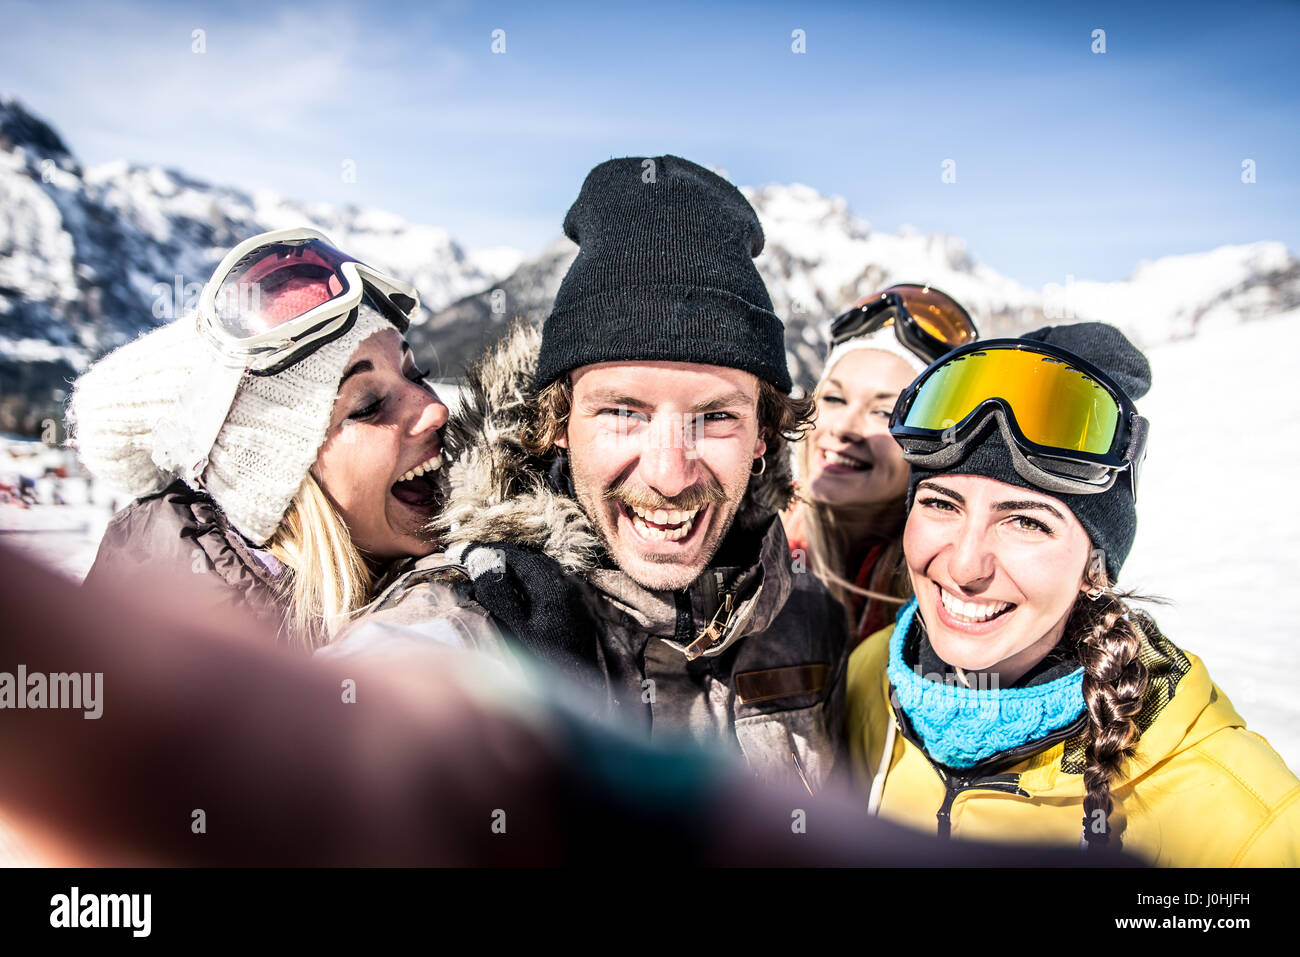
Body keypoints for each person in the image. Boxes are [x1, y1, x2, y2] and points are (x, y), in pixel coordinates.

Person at [363, 155, 853, 793]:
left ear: (763, 435)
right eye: (625, 412)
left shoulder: (810, 621)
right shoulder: (482, 612)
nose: (670, 475)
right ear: (558, 421)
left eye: (715, 417)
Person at [845, 322, 1300, 865]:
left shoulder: (1245, 823)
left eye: (1026, 523)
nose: (965, 566)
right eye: (942, 504)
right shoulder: (865, 682)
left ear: (1095, 570)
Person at [68, 228, 468, 649]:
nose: (435, 409)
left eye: (414, 374)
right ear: (277, 484)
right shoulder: (186, 668)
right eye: (367, 405)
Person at [783, 284, 978, 647]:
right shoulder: (752, 541)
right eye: (835, 398)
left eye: (884, 412)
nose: (842, 428)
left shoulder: (958, 587)